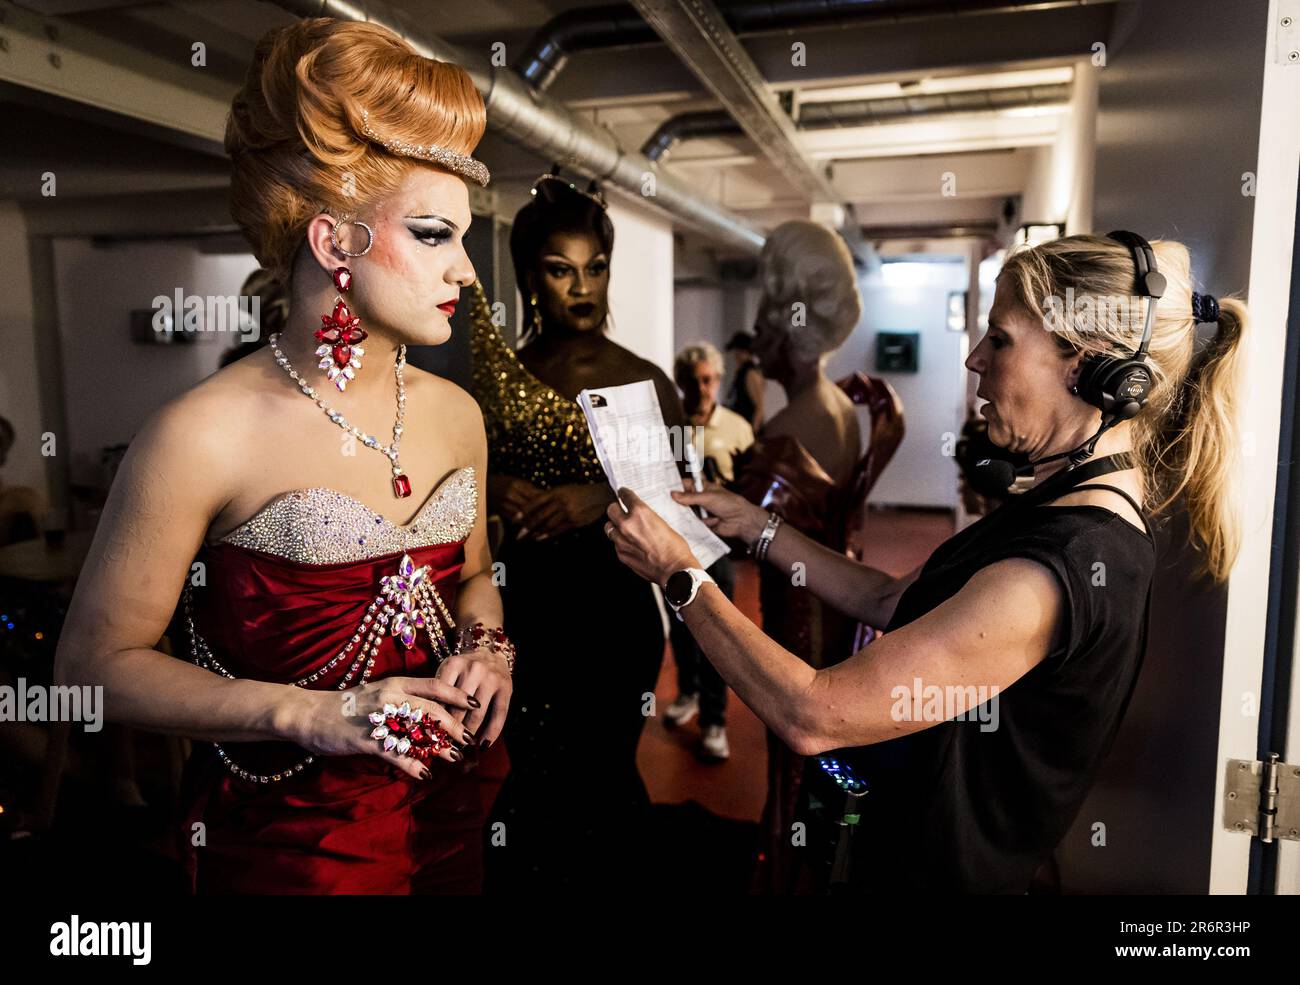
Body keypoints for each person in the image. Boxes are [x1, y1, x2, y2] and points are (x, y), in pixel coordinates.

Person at [604, 232, 1243, 893]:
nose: (972, 359)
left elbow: (812, 713)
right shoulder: (1054, 505)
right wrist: (760, 527)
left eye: (998, 340)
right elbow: (889, 598)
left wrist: (681, 576)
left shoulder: (1059, 569)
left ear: (1090, 363)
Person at [53, 18, 513, 894]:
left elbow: (476, 572)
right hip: (291, 850)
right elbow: (91, 670)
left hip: (455, 809)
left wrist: (489, 647)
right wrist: (312, 712)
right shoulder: (200, 433)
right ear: (334, 242)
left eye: (462, 236)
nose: (467, 271)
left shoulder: (459, 416)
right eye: (431, 234)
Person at [472, 171, 688, 891]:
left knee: (601, 773)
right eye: (560, 270)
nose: (582, 286)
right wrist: (495, 485)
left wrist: (598, 498)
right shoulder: (498, 379)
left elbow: (688, 503)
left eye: (595, 267)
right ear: (531, 277)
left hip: (613, 617)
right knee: (536, 775)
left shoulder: (646, 381)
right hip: (524, 611)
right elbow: (455, 488)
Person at [729, 219, 863, 891]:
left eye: (763, 316)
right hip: (836, 603)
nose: (755, 335)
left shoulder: (788, 427)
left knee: (796, 754)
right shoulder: (839, 406)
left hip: (803, 614)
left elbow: (738, 532)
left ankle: (788, 876)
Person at [663, 342, 754, 760]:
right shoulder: (667, 429)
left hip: (717, 548)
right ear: (680, 382)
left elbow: (752, 488)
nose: (702, 388)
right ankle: (688, 693)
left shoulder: (737, 427)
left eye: (709, 379)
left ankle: (715, 720)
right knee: (681, 628)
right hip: (675, 545)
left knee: (719, 634)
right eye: (693, 380)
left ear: (718, 380)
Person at [724, 330, 765, 432]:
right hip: (742, 428)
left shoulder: (750, 373)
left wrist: (753, 433)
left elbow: (759, 407)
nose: (735, 355)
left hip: (748, 429)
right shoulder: (744, 371)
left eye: (737, 351)